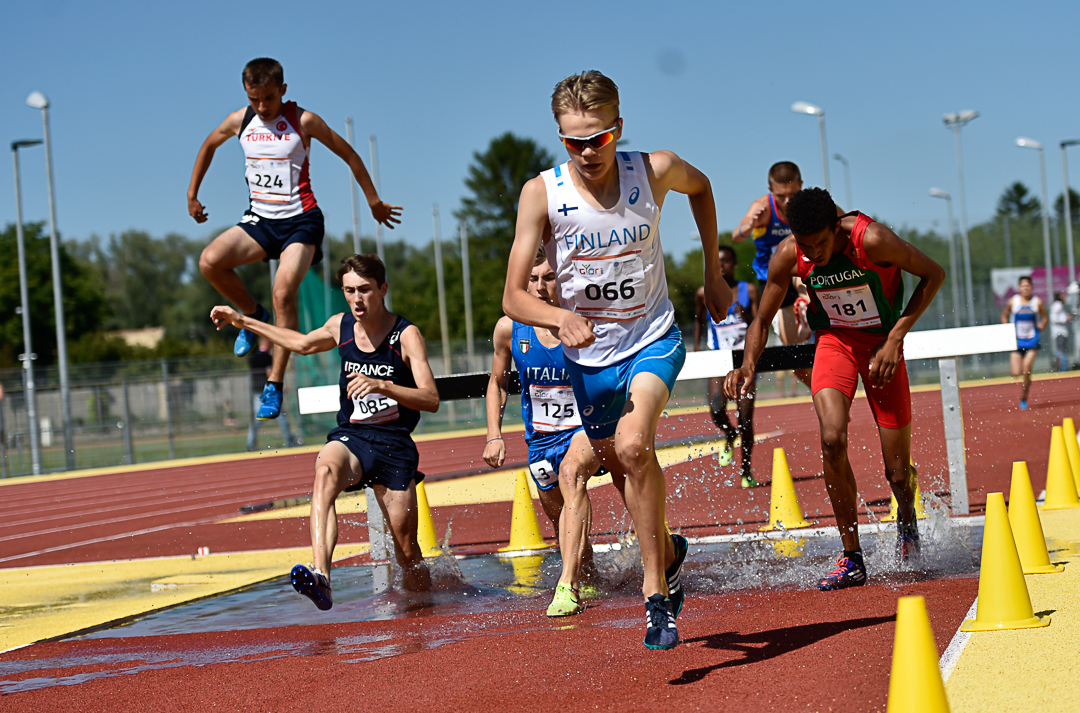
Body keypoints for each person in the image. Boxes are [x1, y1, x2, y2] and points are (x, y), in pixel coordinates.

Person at [503, 70, 732, 649]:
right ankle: (669, 552)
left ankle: (656, 594)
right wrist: (559, 317)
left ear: (619, 128)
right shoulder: (542, 193)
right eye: (573, 141)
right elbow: (512, 297)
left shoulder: (654, 170)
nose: (587, 152)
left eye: (598, 138)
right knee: (625, 466)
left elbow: (703, 188)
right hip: (590, 360)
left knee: (632, 447)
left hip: (652, 336)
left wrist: (712, 271)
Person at [725, 188, 944, 591]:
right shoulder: (790, 253)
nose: (814, 254)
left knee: (897, 473)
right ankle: (852, 556)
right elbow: (762, 318)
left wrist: (896, 337)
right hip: (835, 343)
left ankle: (907, 518)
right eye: (805, 246)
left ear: (836, 227)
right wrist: (748, 365)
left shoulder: (872, 239)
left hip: (880, 347)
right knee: (831, 439)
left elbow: (934, 274)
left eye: (821, 243)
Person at [210, 254, 439, 607]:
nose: (357, 299)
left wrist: (383, 385)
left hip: (394, 444)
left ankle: (426, 611)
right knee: (325, 471)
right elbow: (300, 344)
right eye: (349, 291)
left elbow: (431, 398)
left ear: (383, 289)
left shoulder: (405, 336)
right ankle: (322, 576)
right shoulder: (340, 326)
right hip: (353, 437)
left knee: (407, 552)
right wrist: (243, 321)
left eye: (365, 290)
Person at [189, 57, 401, 422]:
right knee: (210, 261)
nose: (261, 106)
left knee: (283, 292)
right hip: (260, 221)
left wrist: (373, 200)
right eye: (254, 99)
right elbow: (208, 145)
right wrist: (192, 194)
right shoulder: (240, 121)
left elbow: (349, 155)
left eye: (269, 98)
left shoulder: (304, 121)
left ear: (283, 90)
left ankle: (274, 383)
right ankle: (254, 314)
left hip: (301, 222)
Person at [484, 248, 603, 617]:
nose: (540, 286)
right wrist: (494, 434)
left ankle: (566, 585)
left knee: (571, 476)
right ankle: (586, 571)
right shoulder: (509, 328)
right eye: (532, 279)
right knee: (558, 515)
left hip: (584, 429)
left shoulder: (583, 322)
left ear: (562, 278)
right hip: (541, 439)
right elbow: (498, 382)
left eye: (548, 277)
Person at [732, 162, 815, 395]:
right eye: (781, 196)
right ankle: (820, 390)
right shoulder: (762, 207)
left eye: (793, 194)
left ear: (801, 185)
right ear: (770, 190)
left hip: (801, 271)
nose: (787, 202)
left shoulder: (809, 204)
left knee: (801, 267)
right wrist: (751, 224)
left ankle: (806, 303)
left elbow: (842, 218)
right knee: (794, 357)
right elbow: (737, 235)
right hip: (773, 279)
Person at [694, 245, 759, 487]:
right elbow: (698, 320)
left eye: (727, 261)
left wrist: (746, 316)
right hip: (717, 358)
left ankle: (746, 470)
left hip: (743, 361)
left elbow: (759, 324)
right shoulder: (704, 293)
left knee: (745, 418)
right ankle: (729, 434)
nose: (722, 265)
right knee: (716, 408)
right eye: (718, 261)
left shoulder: (748, 290)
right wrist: (698, 348)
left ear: (735, 264)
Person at [1001, 276, 1048, 409]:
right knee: (1016, 372)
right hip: (1016, 342)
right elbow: (1004, 315)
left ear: (1031, 287)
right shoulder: (1013, 301)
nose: (1025, 288)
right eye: (1023, 286)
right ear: (1019, 288)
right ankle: (1026, 381)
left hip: (1032, 341)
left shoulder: (1037, 302)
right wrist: (1007, 327)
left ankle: (1023, 398)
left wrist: (1042, 325)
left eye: (1028, 285)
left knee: (1026, 370)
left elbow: (1045, 318)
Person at [247, 336, 297, 450]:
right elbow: (270, 373)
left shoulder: (253, 357)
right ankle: (290, 441)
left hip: (257, 390)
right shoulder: (268, 357)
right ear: (267, 343)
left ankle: (251, 443)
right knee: (281, 416)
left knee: (256, 419)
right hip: (269, 391)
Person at [1050, 291, 1071, 373]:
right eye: (1063, 295)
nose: (1065, 297)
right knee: (1060, 350)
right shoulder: (1057, 305)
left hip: (1062, 332)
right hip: (1059, 332)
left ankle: (1061, 366)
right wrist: (1066, 319)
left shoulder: (1059, 305)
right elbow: (1053, 318)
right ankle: (1061, 367)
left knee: (1061, 349)